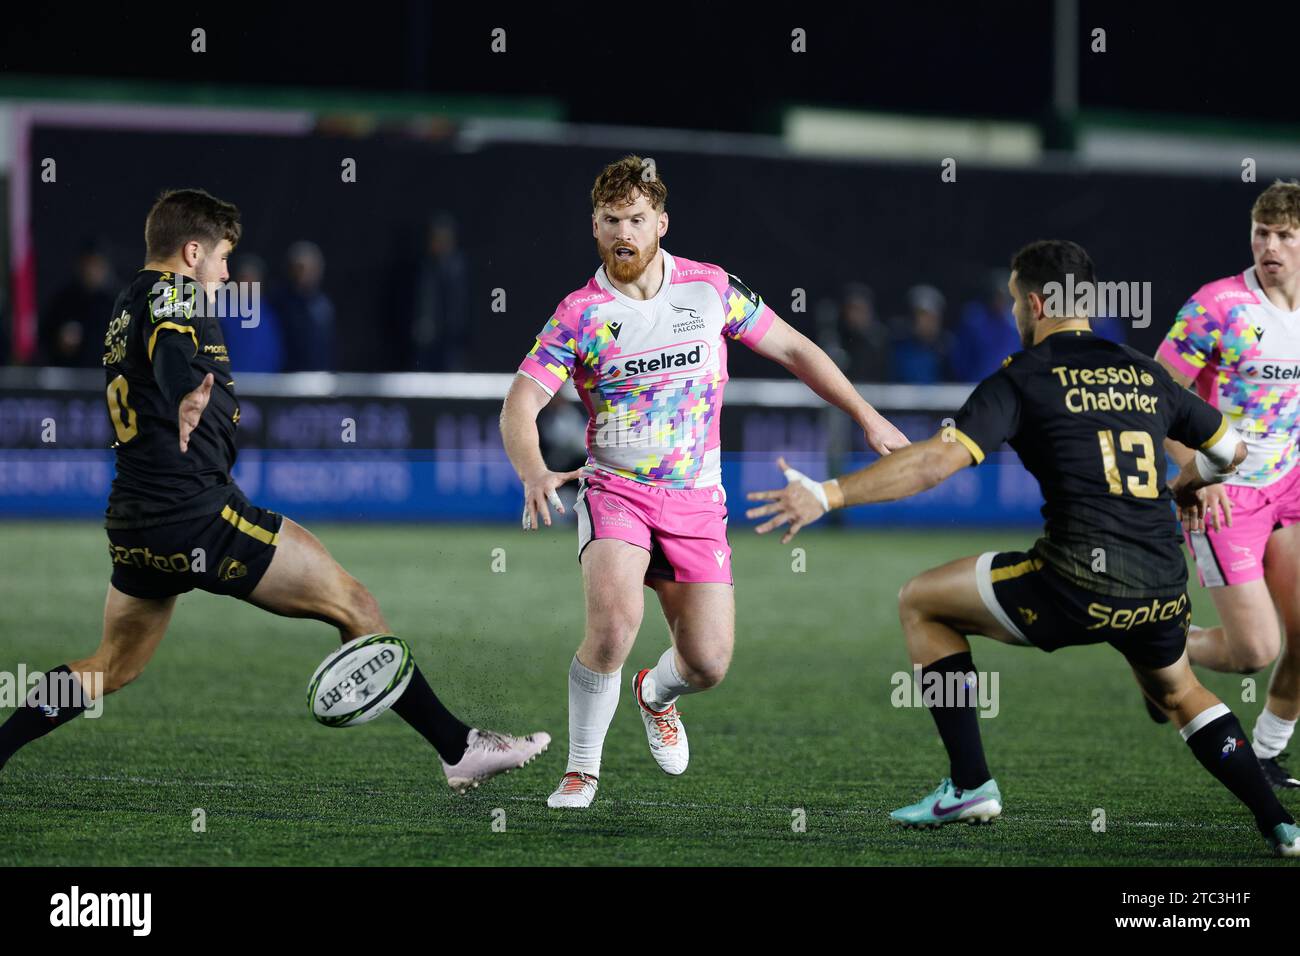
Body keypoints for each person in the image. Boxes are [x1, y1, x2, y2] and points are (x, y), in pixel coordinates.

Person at [745, 239, 1299, 857]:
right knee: (1179, 691)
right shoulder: (1146, 372)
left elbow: (933, 463)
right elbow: (1231, 453)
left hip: (1075, 582)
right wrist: (1188, 485)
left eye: (1014, 302)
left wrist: (828, 494)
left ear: (1035, 302)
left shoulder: (1024, 376)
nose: (1014, 315)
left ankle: (970, 783)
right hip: (1164, 583)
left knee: (922, 602)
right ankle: (1278, 821)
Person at [0, 189, 548, 795]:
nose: (227, 273)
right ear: (191, 251)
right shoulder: (172, 292)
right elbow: (175, 346)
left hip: (135, 522)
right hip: (197, 513)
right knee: (356, 605)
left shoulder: (126, 301)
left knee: (111, 665)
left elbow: (159, 343)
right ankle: (459, 748)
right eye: (222, 258)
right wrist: (186, 390)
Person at [499, 155, 908, 808]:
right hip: (616, 492)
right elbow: (521, 403)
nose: (623, 232)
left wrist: (864, 414)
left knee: (710, 663)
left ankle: (655, 694)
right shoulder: (579, 314)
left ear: (661, 221)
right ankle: (581, 769)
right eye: (610, 220)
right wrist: (532, 470)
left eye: (636, 218)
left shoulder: (711, 289)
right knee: (613, 626)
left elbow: (796, 348)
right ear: (595, 228)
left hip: (695, 501)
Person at [1153, 180, 1300, 789]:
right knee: (1255, 651)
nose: (1269, 246)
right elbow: (1155, 398)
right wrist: (1199, 471)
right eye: (1261, 233)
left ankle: (1267, 752)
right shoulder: (1218, 307)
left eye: (1285, 236)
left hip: (1289, 486)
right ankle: (1158, 655)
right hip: (1225, 495)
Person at [40, 241, 117, 367]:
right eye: (88, 264)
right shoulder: (64, 299)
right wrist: (60, 341)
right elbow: (45, 336)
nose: (91, 271)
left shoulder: (116, 301)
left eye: (97, 264)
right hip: (70, 375)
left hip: (106, 376)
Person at [272, 241, 336, 372]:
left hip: (319, 378)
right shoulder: (279, 304)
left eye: (310, 268)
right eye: (300, 268)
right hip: (288, 378)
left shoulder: (323, 305)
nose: (305, 273)